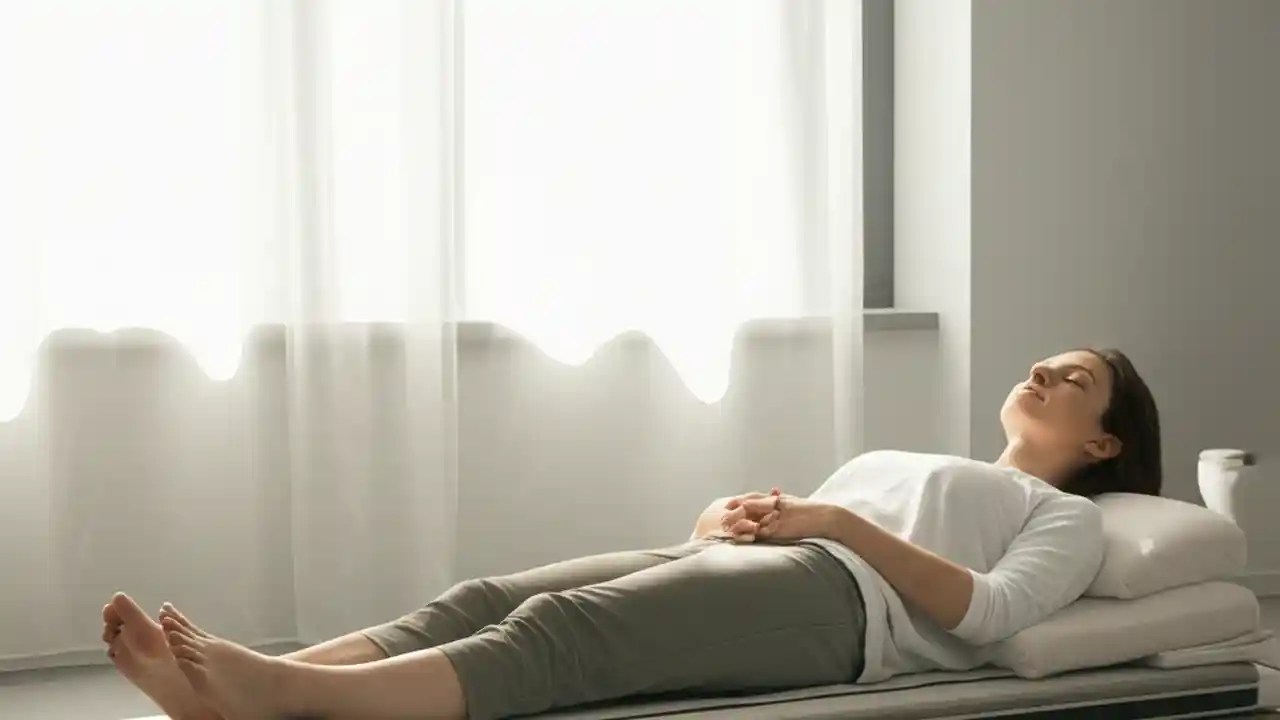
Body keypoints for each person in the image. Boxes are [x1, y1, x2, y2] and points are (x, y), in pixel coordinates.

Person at [102, 347, 1161, 720]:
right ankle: (224, 699)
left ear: (1105, 441)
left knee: (563, 634)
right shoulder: (929, 464)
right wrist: (725, 520)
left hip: (840, 615)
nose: (1041, 373)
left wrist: (833, 520)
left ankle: (283, 696)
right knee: (482, 601)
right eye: (1043, 360)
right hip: (771, 565)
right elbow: (791, 527)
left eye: (1072, 380)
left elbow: (990, 614)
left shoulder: (1064, 517)